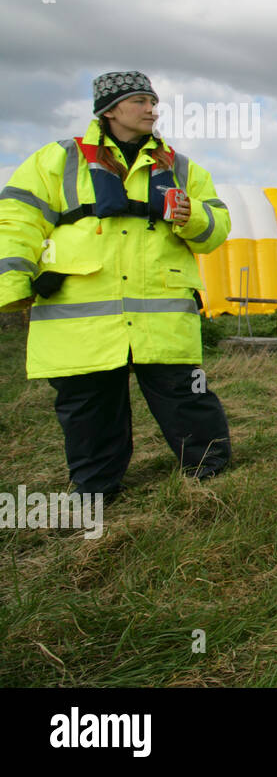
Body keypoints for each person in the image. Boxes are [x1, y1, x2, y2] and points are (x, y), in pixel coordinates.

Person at [0, 71, 232, 502]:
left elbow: (218, 228)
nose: (152, 109)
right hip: (81, 316)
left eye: (153, 101)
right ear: (109, 110)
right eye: (141, 101)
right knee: (89, 409)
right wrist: (10, 284)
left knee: (187, 398)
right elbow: (16, 219)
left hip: (161, 315)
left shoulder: (182, 168)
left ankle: (210, 475)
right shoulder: (56, 160)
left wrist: (192, 215)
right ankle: (95, 491)